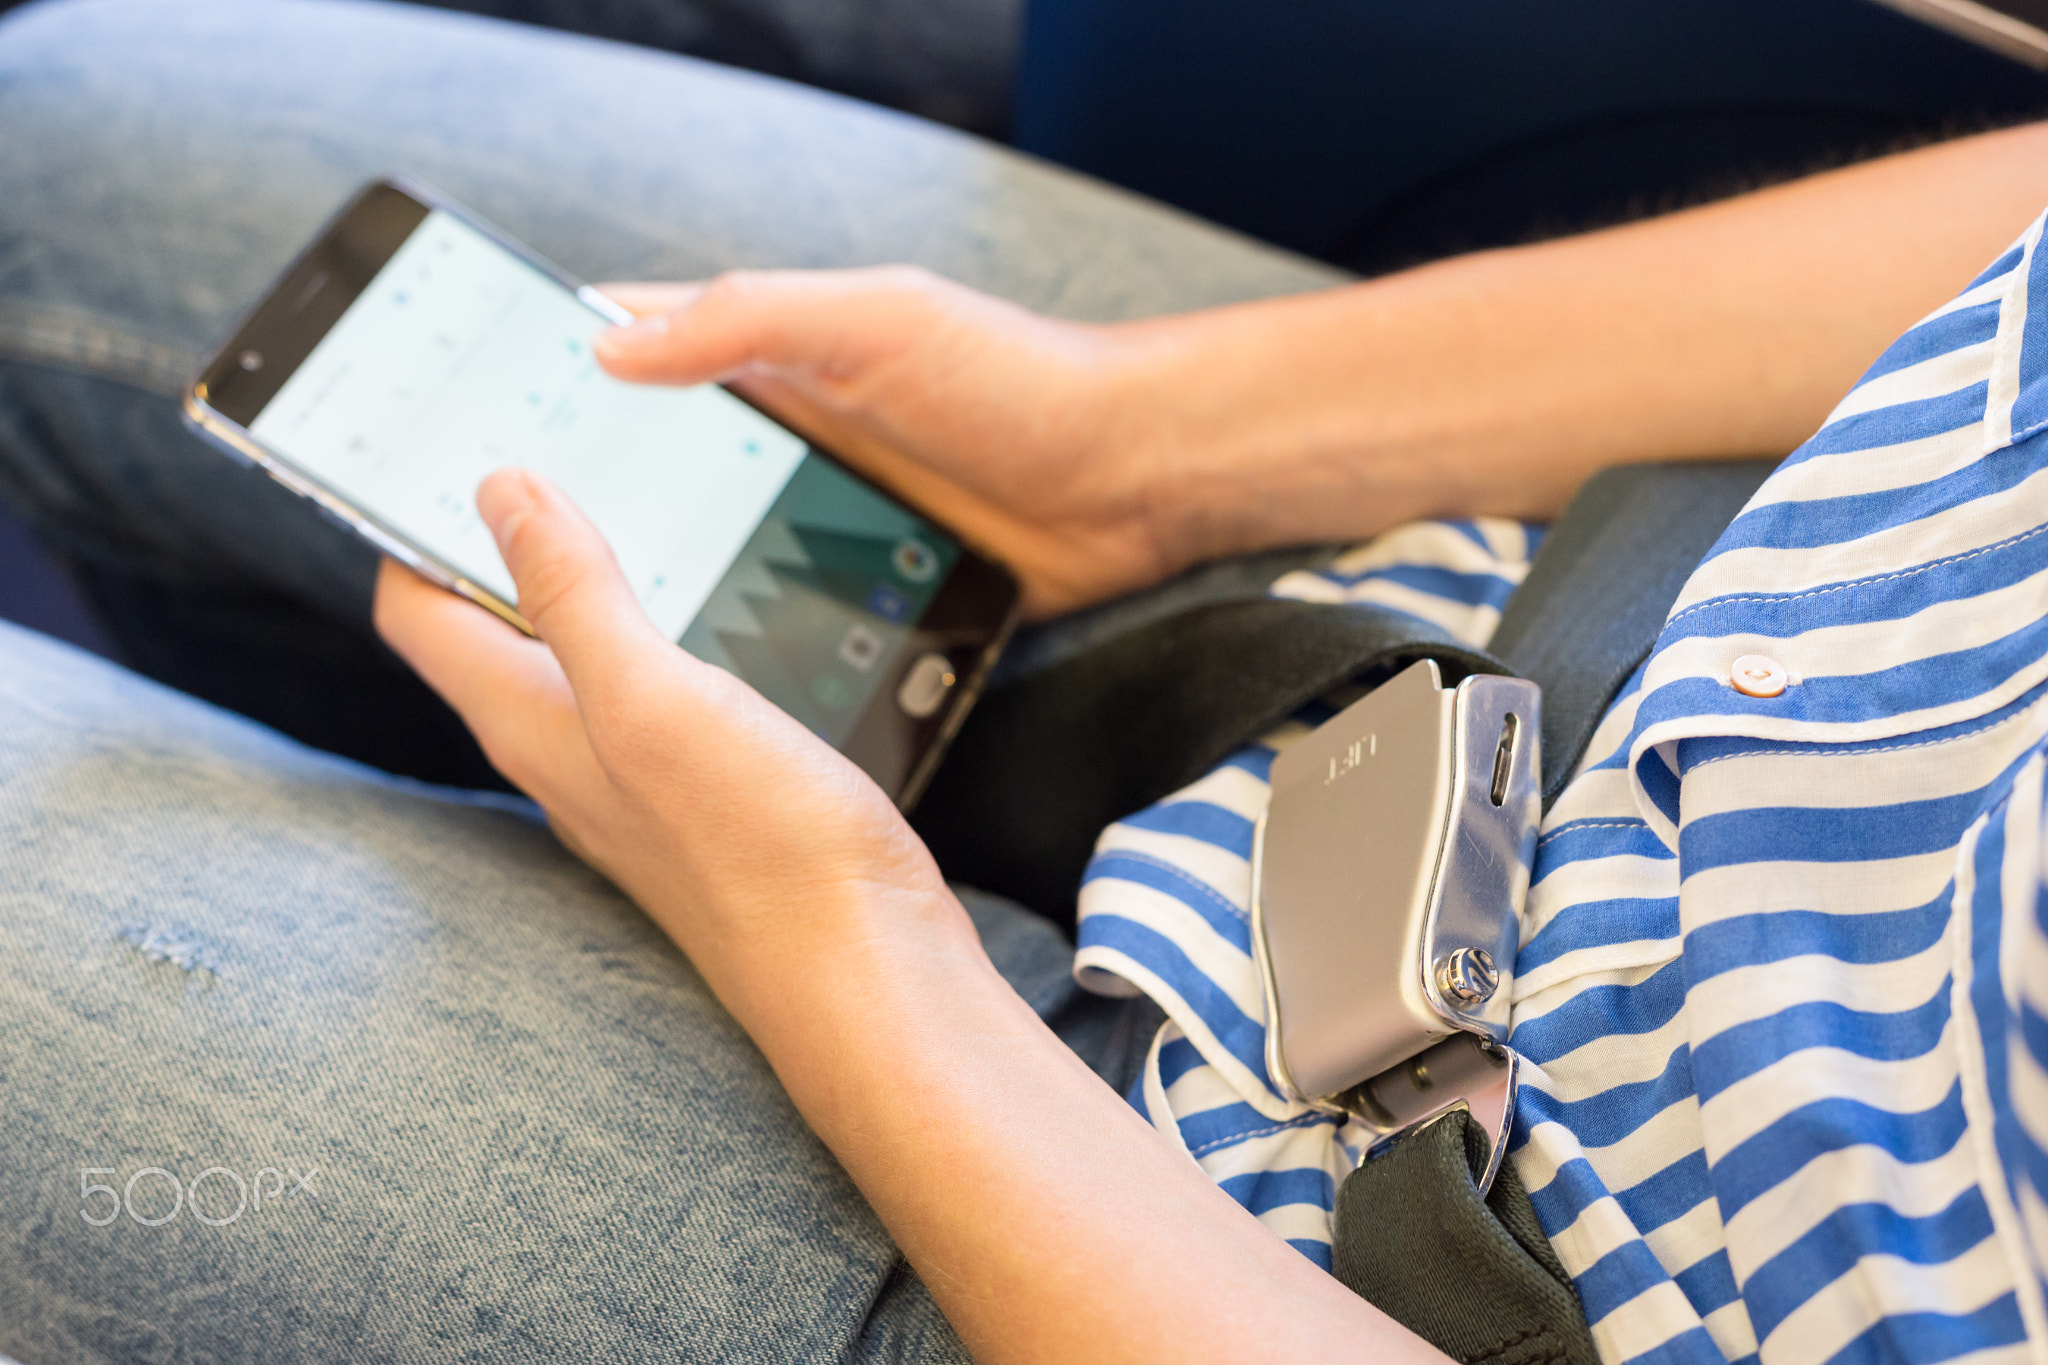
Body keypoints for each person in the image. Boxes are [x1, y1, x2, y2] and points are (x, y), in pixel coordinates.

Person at [3, 1, 2048, 1363]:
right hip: (1543, 557)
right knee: (56, 118)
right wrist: (1152, 439)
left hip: (1229, 1259)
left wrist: (830, 938)